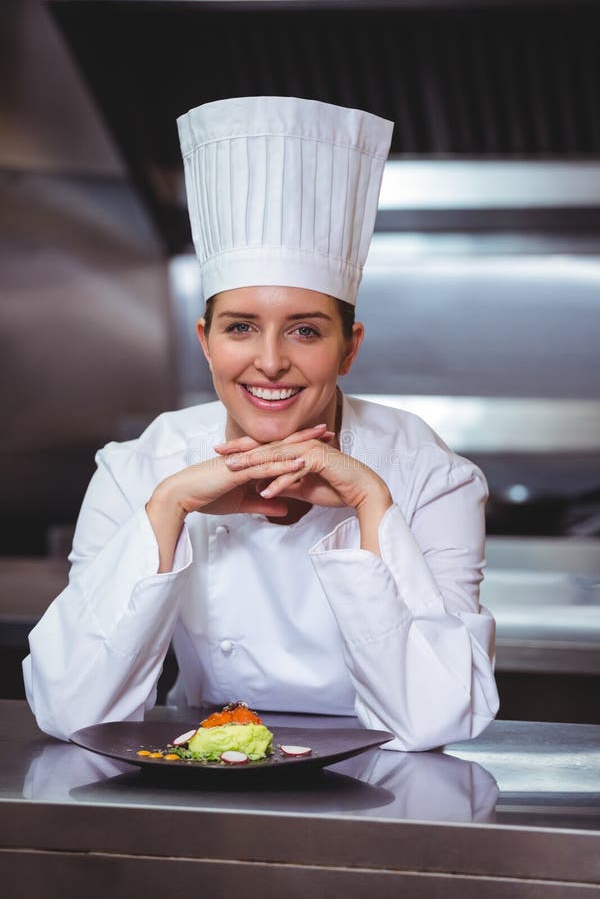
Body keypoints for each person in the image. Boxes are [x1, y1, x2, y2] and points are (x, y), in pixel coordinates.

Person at [23, 97, 499, 750]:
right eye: (241, 327)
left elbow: (442, 717)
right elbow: (69, 710)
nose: (270, 362)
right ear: (206, 341)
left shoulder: (428, 473)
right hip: (204, 771)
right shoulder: (141, 465)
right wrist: (169, 508)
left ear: (349, 347)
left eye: (305, 330)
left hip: (387, 783)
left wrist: (370, 504)